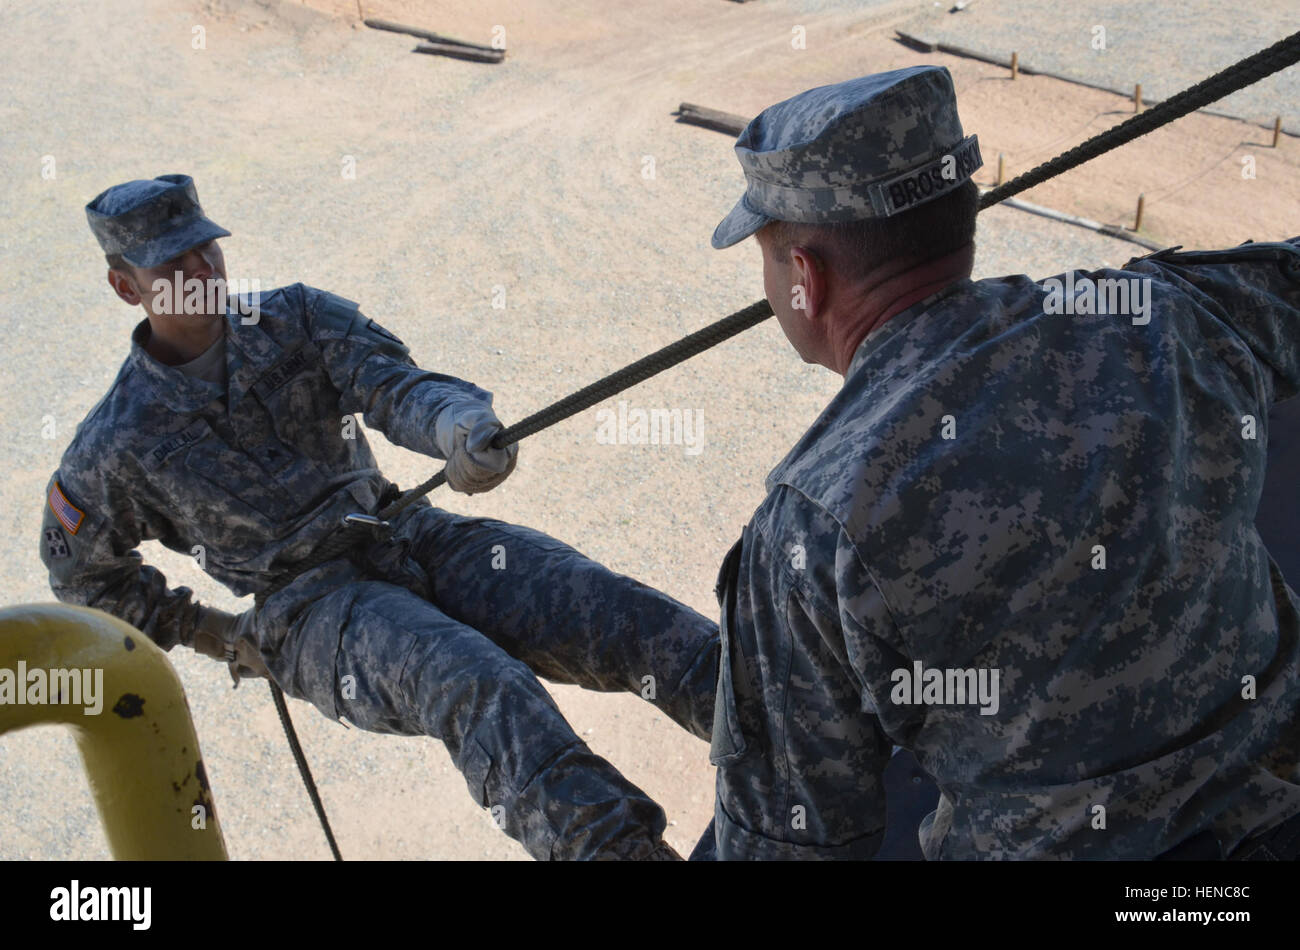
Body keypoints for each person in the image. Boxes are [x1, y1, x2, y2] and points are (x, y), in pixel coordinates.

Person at [697, 65, 1300, 859]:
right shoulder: (1165, 317)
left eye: (770, 259)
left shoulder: (810, 528)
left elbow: (794, 842)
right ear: (965, 214)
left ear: (805, 277)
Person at [40, 174, 719, 861]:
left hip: (405, 530)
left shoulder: (294, 318)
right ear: (125, 287)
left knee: (608, 609)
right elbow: (85, 577)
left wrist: (457, 424)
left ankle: (801, 752)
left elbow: (394, 383)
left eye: (205, 249)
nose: (200, 271)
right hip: (310, 611)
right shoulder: (115, 445)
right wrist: (216, 634)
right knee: (473, 683)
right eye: (171, 264)